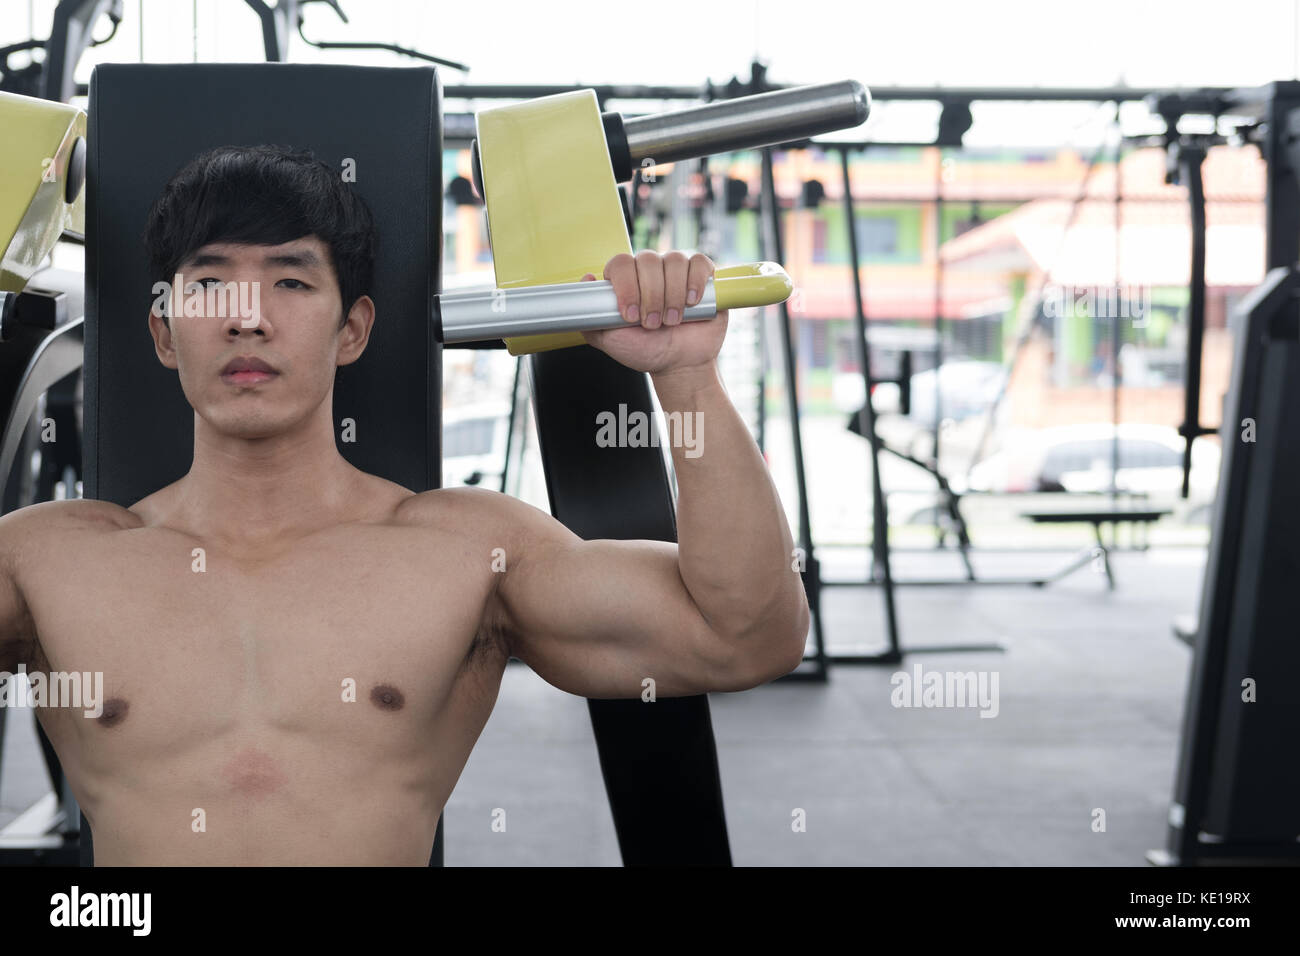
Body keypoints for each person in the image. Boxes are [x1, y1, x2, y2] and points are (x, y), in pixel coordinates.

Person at [0, 145, 809, 865]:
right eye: (209, 284)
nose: (246, 317)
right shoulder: (51, 559)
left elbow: (742, 636)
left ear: (351, 330)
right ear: (166, 332)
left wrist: (684, 376)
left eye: (289, 280)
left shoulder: (467, 551)